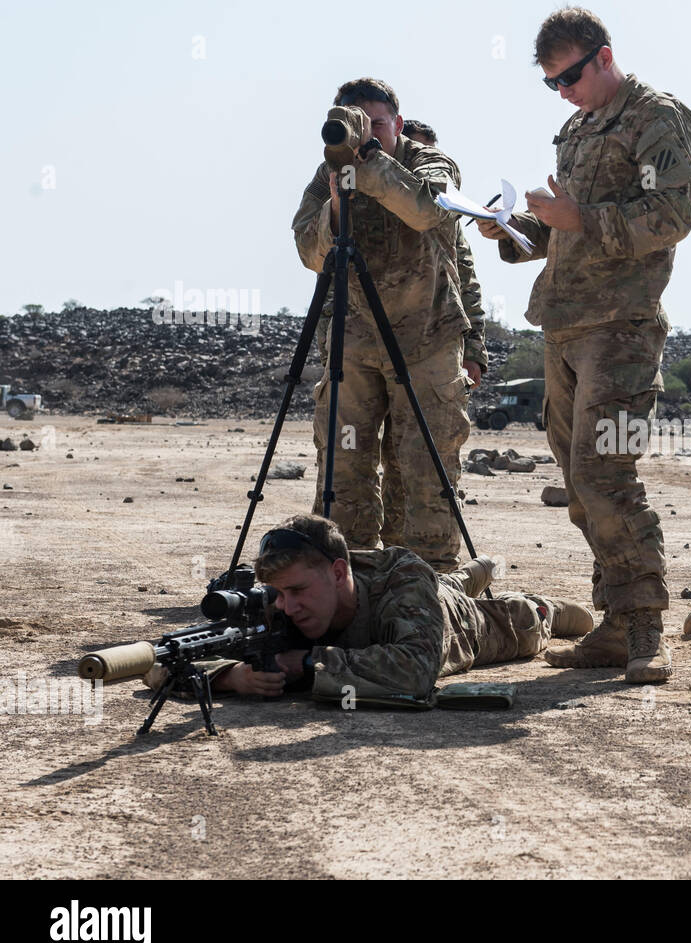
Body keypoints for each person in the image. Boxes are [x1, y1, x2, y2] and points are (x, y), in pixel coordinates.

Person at [478, 7, 691, 684]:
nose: (563, 91)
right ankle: (613, 623)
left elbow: (672, 216)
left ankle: (645, 630)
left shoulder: (658, 118)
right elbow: (567, 231)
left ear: (604, 57)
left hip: (622, 327)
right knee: (580, 485)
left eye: (570, 76)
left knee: (607, 477)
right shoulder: (576, 131)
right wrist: (515, 229)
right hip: (565, 324)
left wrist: (579, 217)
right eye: (551, 83)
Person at [291, 78, 476, 572]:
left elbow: (426, 210)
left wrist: (371, 167)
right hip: (354, 339)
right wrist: (335, 203)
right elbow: (309, 252)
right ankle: (344, 576)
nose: (364, 133)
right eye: (355, 124)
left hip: (427, 339)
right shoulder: (327, 174)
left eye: (375, 123)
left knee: (424, 465)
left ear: (396, 122)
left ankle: (428, 579)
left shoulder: (429, 162)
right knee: (343, 461)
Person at [151, 514, 593, 707]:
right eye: (280, 593)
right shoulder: (281, 600)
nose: (288, 606)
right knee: (449, 584)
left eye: (299, 590)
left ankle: (540, 603)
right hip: (425, 596)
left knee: (518, 617)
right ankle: (472, 572)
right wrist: (229, 676)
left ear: (338, 570)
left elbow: (417, 669)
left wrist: (309, 662)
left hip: (464, 625)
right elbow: (159, 663)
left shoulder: (402, 573)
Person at [375, 117, 489, 552]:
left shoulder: (445, 226)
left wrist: (473, 348)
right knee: (374, 457)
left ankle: (418, 561)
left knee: (421, 456)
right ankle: (383, 554)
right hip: (371, 348)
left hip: (429, 347)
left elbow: (466, 284)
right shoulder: (365, 208)